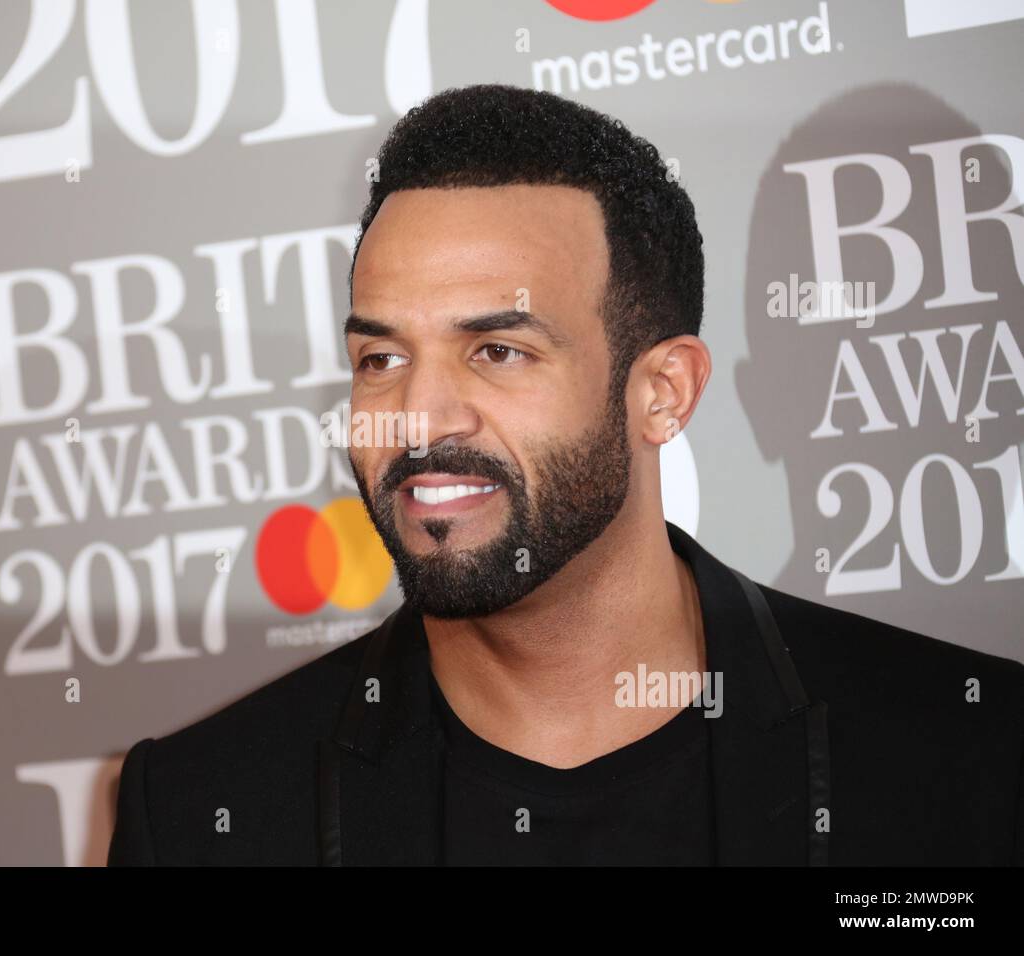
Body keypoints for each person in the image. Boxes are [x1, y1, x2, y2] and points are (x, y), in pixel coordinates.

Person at [108, 83, 1023, 866]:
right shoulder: (201, 815)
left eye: (498, 350)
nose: (418, 417)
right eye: (381, 357)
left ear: (663, 392)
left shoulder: (967, 751)